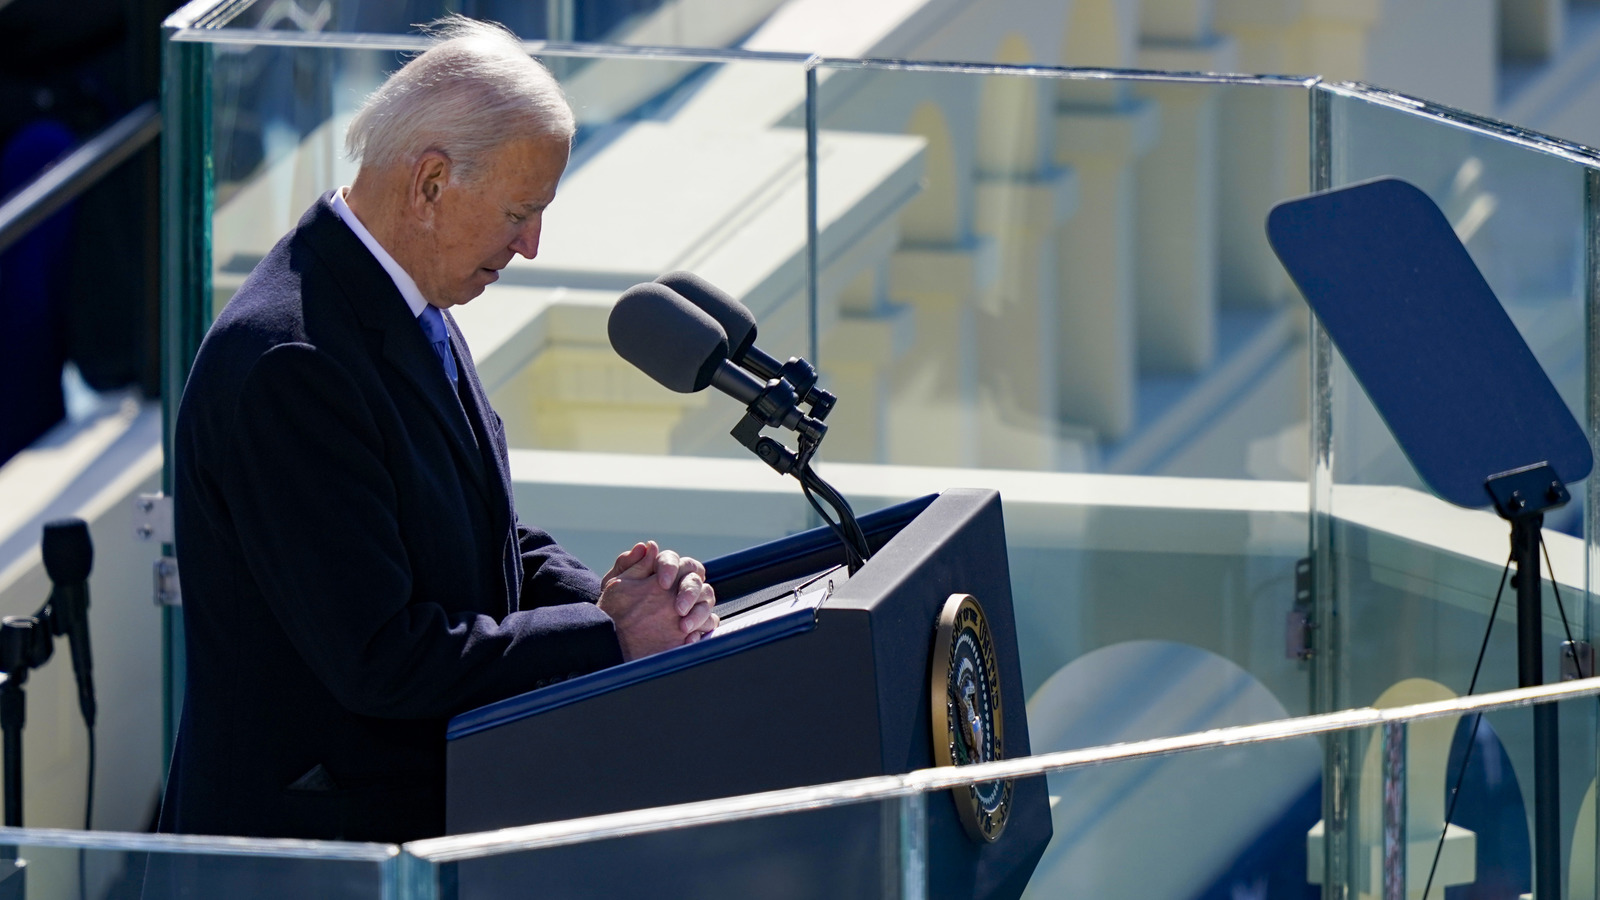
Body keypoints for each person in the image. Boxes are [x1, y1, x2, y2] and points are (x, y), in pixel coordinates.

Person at [158, 16, 716, 844]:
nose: (531, 245)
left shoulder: (400, 299)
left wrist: (619, 598)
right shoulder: (291, 359)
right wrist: (608, 635)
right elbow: (383, 656)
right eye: (519, 212)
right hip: (308, 866)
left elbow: (476, 530)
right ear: (430, 185)